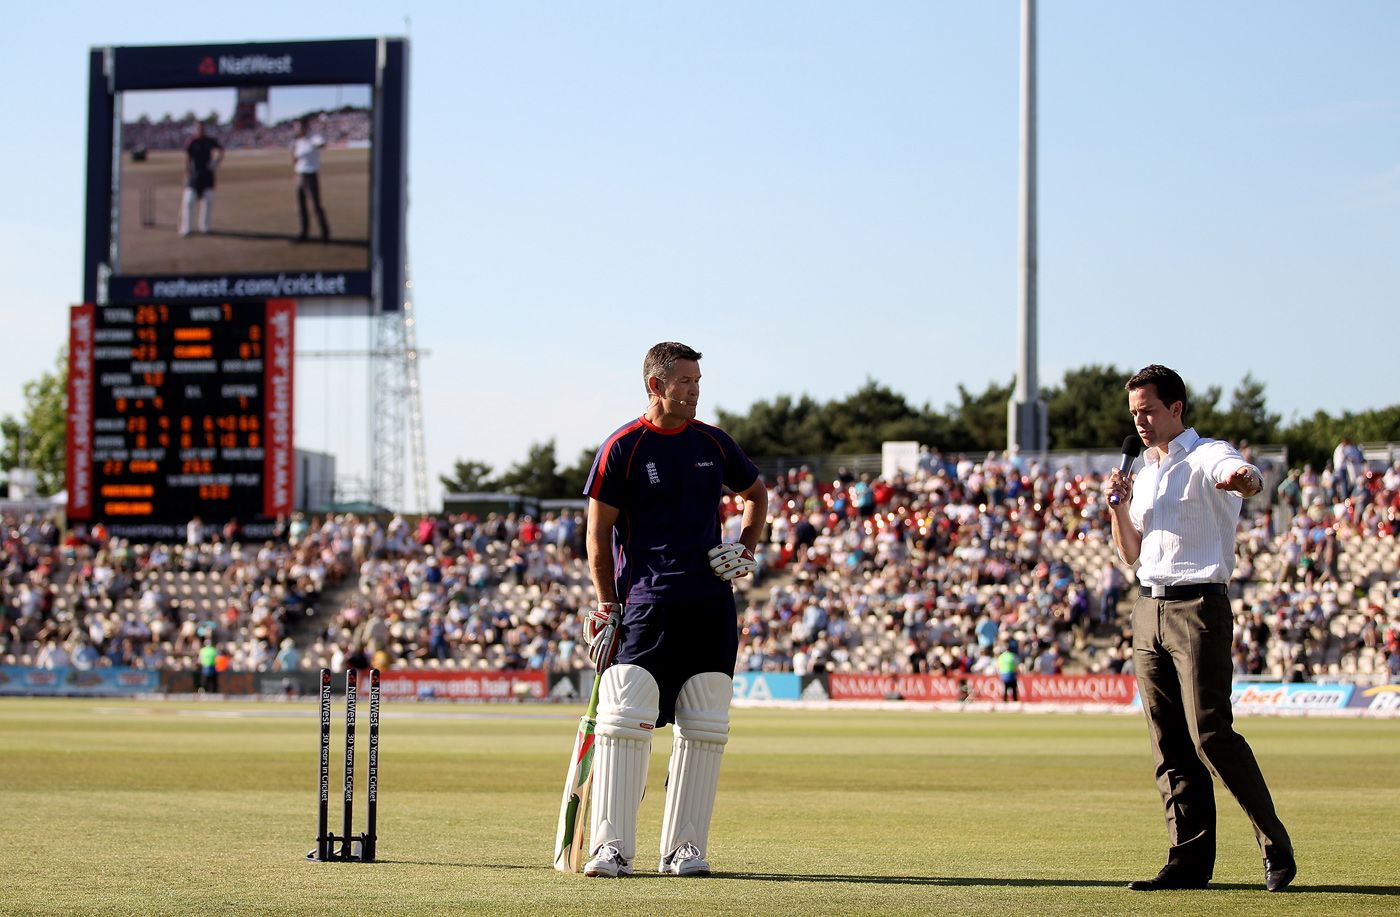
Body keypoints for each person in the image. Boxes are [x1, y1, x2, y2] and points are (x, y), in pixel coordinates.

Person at [578, 341, 768, 879]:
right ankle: (609, 848)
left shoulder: (713, 441)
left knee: (705, 721)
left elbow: (757, 492)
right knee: (624, 718)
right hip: (646, 605)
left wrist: (746, 547)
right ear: (655, 385)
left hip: (710, 607)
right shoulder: (624, 446)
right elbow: (597, 536)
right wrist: (607, 604)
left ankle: (684, 848)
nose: (695, 389)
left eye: (698, 380)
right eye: (685, 381)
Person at [1105, 364, 1295, 893]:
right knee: (1168, 744)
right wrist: (1117, 509)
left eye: (1148, 411)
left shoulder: (1207, 453)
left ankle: (1275, 845)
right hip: (1148, 608)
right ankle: (1188, 861)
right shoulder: (1143, 473)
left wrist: (1245, 479)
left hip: (1197, 608)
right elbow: (1131, 555)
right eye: (1134, 413)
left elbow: (1242, 473)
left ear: (1176, 409)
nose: (1140, 421)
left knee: (1210, 733)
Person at [290, 116, 330, 243]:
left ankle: (325, 234)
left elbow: (322, 144)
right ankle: (304, 234)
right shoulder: (298, 141)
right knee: (302, 207)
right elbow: (295, 158)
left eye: (299, 126)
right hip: (301, 175)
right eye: (296, 126)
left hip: (311, 175)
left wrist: (324, 125)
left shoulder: (314, 138)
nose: (297, 129)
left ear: (306, 126)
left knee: (316, 206)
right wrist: (296, 172)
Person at [179, 122, 223, 237]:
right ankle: (187, 228)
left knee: (208, 202)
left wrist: (216, 162)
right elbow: (188, 159)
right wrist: (187, 173)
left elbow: (221, 149)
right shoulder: (192, 142)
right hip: (194, 176)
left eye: (202, 128)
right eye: (198, 128)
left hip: (208, 176)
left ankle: (205, 227)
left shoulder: (210, 141)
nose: (201, 130)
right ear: (195, 129)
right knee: (189, 201)